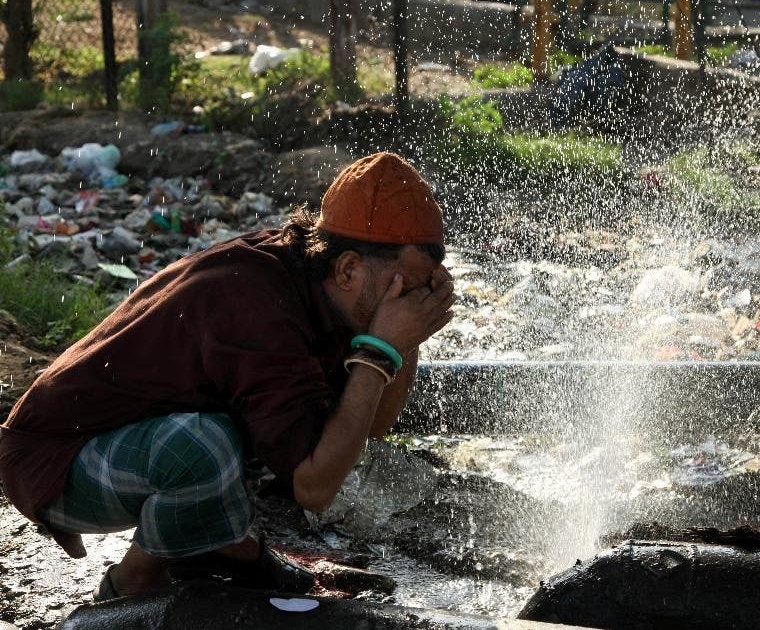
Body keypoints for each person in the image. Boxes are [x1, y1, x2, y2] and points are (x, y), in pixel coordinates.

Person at [0, 152, 455, 600]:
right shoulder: (259, 304)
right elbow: (315, 486)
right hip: (56, 461)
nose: (411, 303)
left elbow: (368, 426)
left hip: (127, 444)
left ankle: (222, 545)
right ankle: (134, 579)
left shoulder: (324, 287)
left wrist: (405, 338)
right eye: (406, 287)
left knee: (230, 438)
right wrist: (380, 353)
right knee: (206, 445)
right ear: (349, 268)